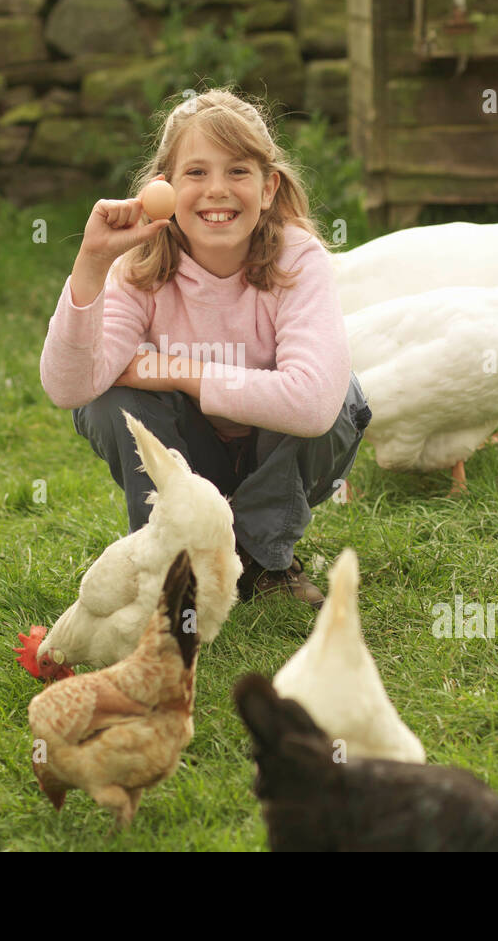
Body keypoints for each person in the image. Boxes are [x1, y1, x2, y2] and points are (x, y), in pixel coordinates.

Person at [39, 89, 371, 608]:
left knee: (339, 396)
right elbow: (69, 388)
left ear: (268, 188)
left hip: (277, 457)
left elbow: (312, 405)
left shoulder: (298, 258)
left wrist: (175, 370)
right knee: (106, 402)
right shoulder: (139, 267)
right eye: (195, 173)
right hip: (190, 454)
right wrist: (91, 264)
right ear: (163, 188)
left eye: (238, 171)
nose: (217, 190)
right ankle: (176, 567)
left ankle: (262, 559)